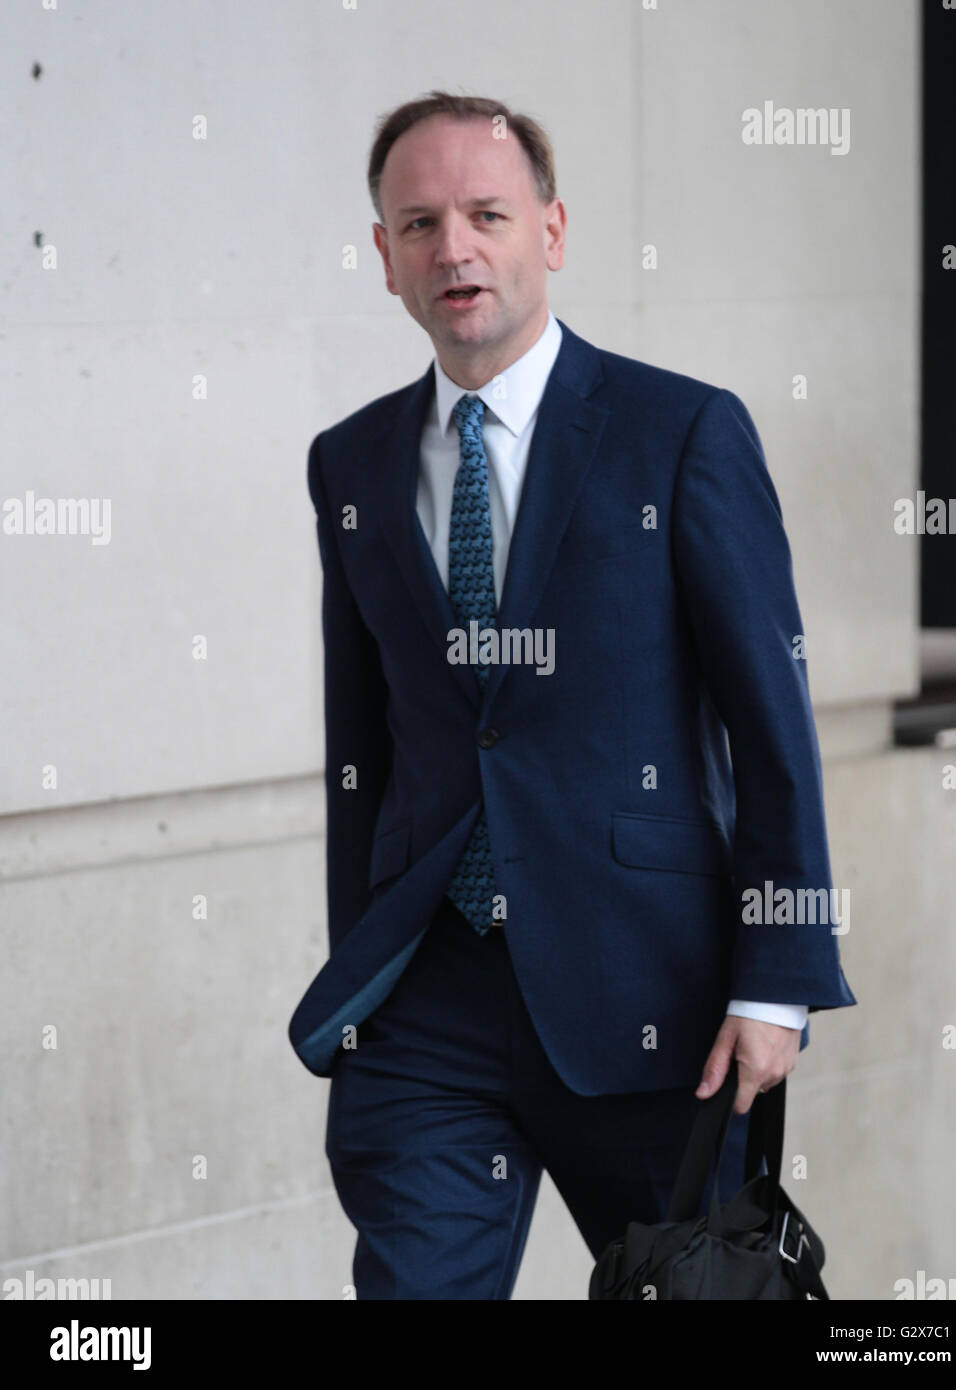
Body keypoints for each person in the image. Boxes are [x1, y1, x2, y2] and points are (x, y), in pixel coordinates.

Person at [288, 90, 856, 1300]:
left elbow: (772, 724)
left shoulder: (680, 432)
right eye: (420, 222)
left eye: (486, 213)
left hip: (654, 1000)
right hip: (429, 1004)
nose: (455, 247)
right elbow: (365, 740)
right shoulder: (349, 461)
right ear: (383, 258)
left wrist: (778, 974)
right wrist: (362, 971)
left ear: (549, 231)